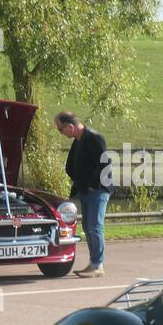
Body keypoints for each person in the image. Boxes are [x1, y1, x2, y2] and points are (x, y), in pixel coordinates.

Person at [56, 111, 112, 278]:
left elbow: (104, 164)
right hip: (86, 190)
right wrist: (79, 183)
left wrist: (93, 186)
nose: (61, 133)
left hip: (98, 190)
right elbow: (71, 165)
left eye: (60, 129)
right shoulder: (78, 140)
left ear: (70, 126)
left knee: (95, 226)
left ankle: (98, 265)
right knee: (88, 227)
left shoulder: (94, 137)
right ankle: (93, 262)